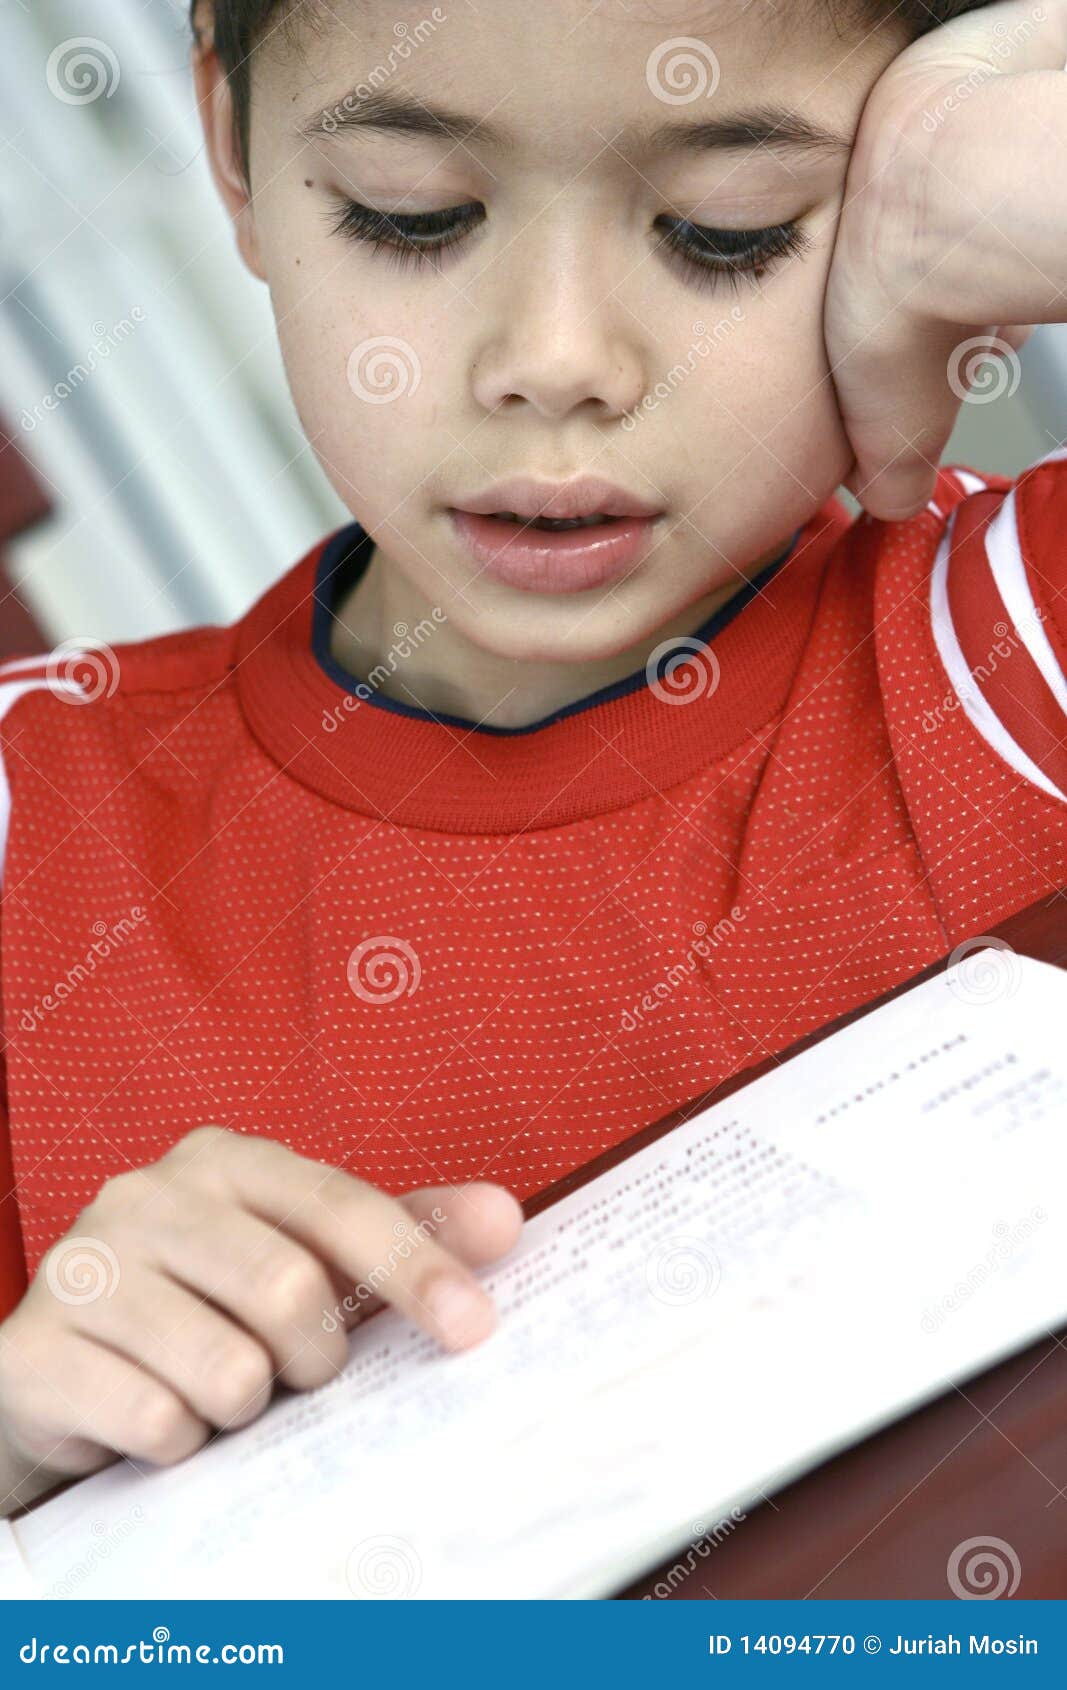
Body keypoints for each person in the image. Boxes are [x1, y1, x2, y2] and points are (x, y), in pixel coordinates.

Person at [0, 0, 1064, 1515]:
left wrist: (1009, 153)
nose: (553, 363)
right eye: (409, 215)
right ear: (233, 148)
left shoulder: (1013, 656)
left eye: (723, 228)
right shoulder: (29, 820)